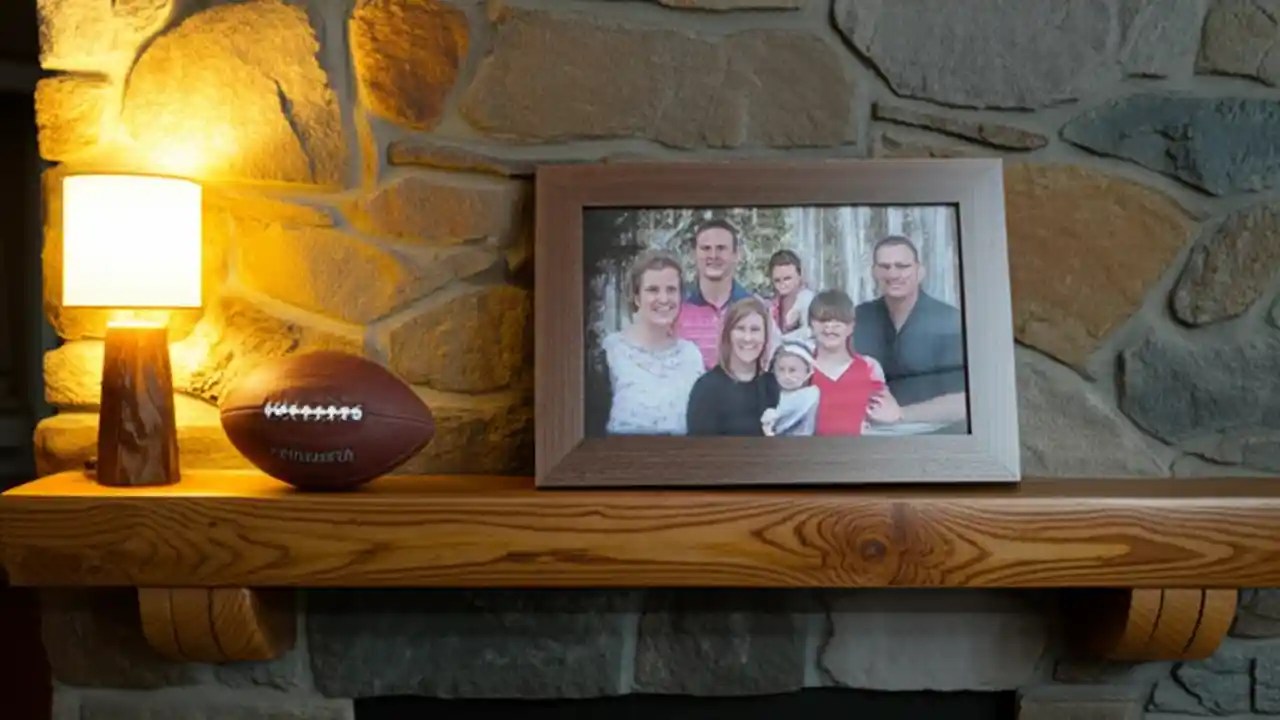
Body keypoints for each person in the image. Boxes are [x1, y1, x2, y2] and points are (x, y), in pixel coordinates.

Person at [853, 235, 967, 433]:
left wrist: (901, 414)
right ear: (873, 272)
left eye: (902, 266)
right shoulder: (857, 318)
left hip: (934, 433)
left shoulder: (949, 321)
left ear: (920, 272)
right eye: (885, 267)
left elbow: (965, 402)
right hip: (866, 433)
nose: (893, 274)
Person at [599, 250, 705, 436]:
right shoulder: (611, 354)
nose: (663, 299)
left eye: (671, 290)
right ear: (637, 297)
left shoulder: (691, 356)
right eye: (653, 290)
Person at [677, 218, 781, 369]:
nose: (713, 255)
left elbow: (774, 364)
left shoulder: (757, 308)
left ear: (736, 255)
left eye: (721, 248)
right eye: (706, 248)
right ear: (694, 254)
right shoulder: (677, 309)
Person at [807, 289, 898, 437]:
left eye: (839, 321)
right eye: (823, 320)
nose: (830, 327)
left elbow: (890, 415)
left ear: (851, 326)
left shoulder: (870, 367)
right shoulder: (800, 368)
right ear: (811, 324)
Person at [686, 297, 780, 436]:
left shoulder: (771, 385)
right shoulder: (707, 388)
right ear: (728, 334)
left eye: (755, 330)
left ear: (765, 336)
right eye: (740, 329)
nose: (747, 338)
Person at [760, 340, 821, 437]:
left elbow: (787, 412)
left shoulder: (811, 394)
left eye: (792, 370)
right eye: (781, 369)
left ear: (808, 371)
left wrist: (772, 416)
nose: (786, 376)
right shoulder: (770, 394)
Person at [767, 250, 816, 343]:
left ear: (799, 276)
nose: (782, 284)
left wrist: (783, 339)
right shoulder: (772, 306)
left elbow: (811, 331)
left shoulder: (808, 300)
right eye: (777, 280)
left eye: (787, 279)